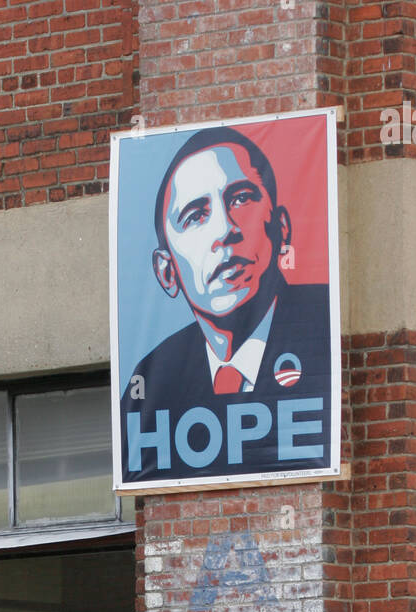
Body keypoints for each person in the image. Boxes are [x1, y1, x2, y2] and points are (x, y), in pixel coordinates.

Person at [120, 125, 331, 479]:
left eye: (240, 198)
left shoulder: (325, 330)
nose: (223, 229)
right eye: (195, 215)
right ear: (167, 271)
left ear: (281, 228)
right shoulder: (153, 379)